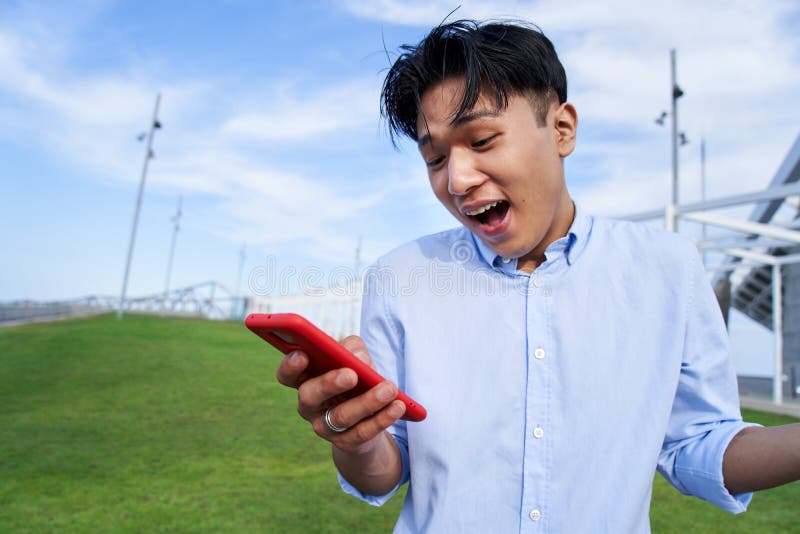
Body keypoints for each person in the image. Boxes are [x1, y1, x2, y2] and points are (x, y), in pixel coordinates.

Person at [276, 19, 800, 532]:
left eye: (481, 140)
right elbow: (386, 471)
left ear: (562, 129)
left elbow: (702, 444)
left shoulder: (670, 269)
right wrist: (360, 439)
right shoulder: (399, 277)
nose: (456, 180)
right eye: (435, 157)